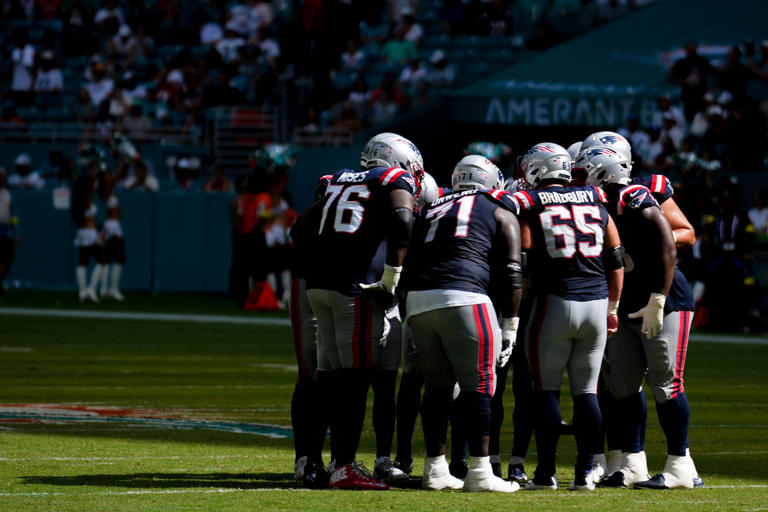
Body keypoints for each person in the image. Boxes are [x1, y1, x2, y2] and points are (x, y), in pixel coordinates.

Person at [291, 132, 423, 490]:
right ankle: (344, 467)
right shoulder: (391, 180)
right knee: (354, 379)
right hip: (355, 288)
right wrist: (392, 276)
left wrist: (320, 265)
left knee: (329, 375)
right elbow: (402, 219)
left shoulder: (337, 179)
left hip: (317, 287)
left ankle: (326, 463)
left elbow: (298, 228)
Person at [578, 149, 701, 490]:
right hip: (626, 301)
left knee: (666, 383)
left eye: (582, 172)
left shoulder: (634, 195)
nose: (575, 180)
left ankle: (681, 464)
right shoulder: (592, 203)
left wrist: (658, 298)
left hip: (664, 300)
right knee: (623, 384)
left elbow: (672, 237)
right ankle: (633, 463)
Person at [405, 155, 523, 493]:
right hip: (466, 296)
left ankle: (435, 469)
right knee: (480, 386)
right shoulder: (498, 203)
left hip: (420, 300)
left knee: (437, 387)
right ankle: (481, 472)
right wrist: (511, 325)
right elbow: (513, 270)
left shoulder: (432, 206)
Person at [511, 143, 624, 491]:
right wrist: (613, 307)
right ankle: (584, 473)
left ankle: (545, 474)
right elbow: (616, 259)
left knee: (545, 390)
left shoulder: (531, 202)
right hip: (596, 302)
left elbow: (526, 255)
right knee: (587, 392)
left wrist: (513, 309)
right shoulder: (594, 199)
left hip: (553, 304)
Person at [0, 169, 20, 295]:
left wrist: (16, 232)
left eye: (3, 177)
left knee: (7, 258)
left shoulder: (7, 194)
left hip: (5, 231)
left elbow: (13, 215)